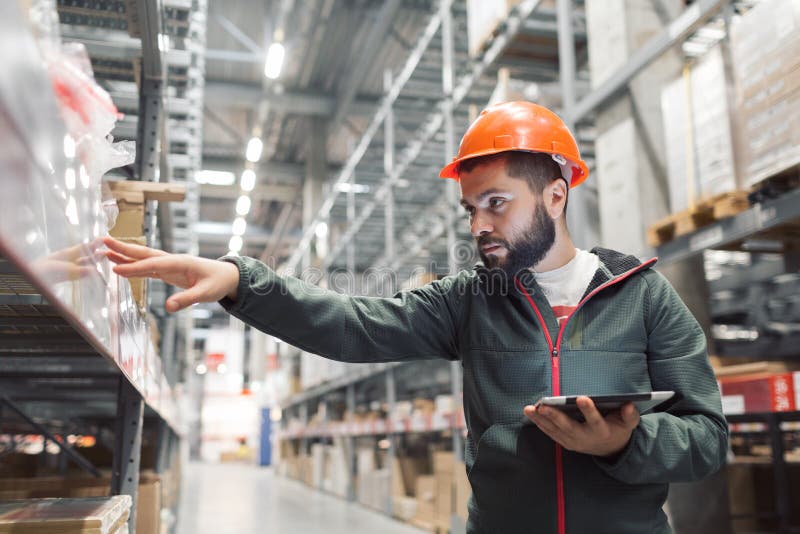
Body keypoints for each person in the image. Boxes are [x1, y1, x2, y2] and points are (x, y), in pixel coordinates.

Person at [104, 101, 728, 534]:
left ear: (556, 195)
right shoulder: (470, 300)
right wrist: (245, 281)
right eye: (470, 208)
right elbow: (355, 324)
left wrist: (625, 441)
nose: (480, 224)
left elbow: (706, 439)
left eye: (497, 203)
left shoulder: (645, 298)